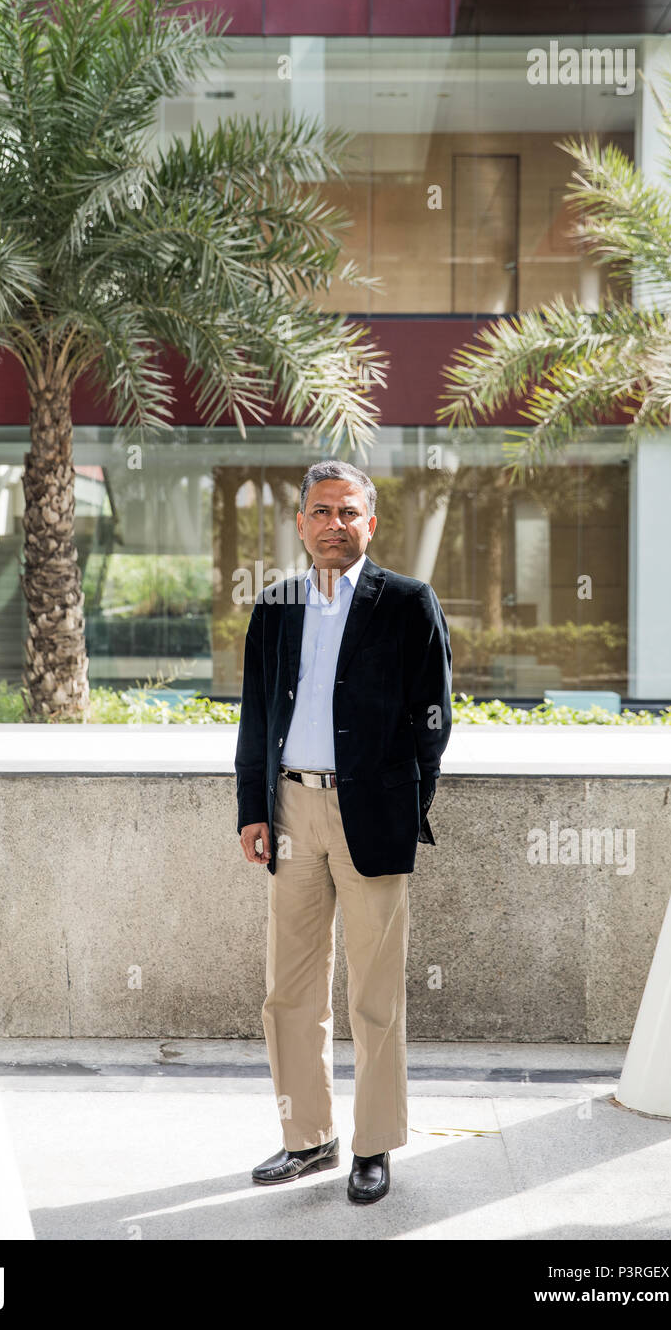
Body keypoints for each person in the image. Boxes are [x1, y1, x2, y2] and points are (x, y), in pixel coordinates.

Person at [234, 459, 453, 1204]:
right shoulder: (275, 606)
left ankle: (374, 1143)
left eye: (348, 512)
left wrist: (404, 797)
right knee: (289, 992)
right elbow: (256, 719)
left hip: (373, 815)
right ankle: (308, 1138)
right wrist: (253, 809)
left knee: (374, 993)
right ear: (301, 524)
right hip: (291, 810)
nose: (335, 524)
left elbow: (434, 718)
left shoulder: (409, 604)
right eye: (321, 512)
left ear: (371, 522)